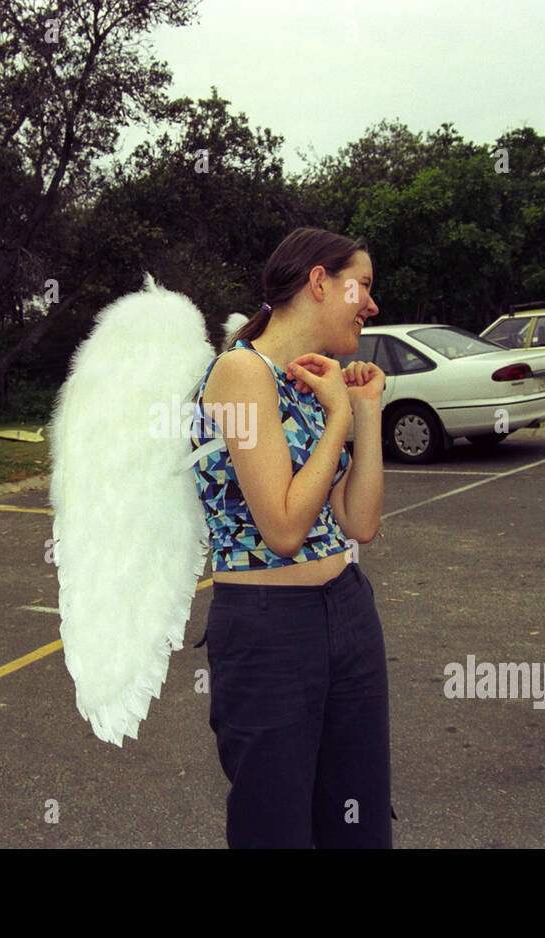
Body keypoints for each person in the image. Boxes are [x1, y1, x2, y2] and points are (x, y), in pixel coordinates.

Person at [188, 227, 389, 848]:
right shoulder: (241, 373)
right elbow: (282, 528)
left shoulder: (313, 378)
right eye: (364, 286)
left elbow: (360, 524)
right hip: (269, 627)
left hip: (347, 609)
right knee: (275, 825)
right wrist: (336, 418)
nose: (372, 305)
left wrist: (367, 410)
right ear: (319, 281)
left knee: (358, 813)